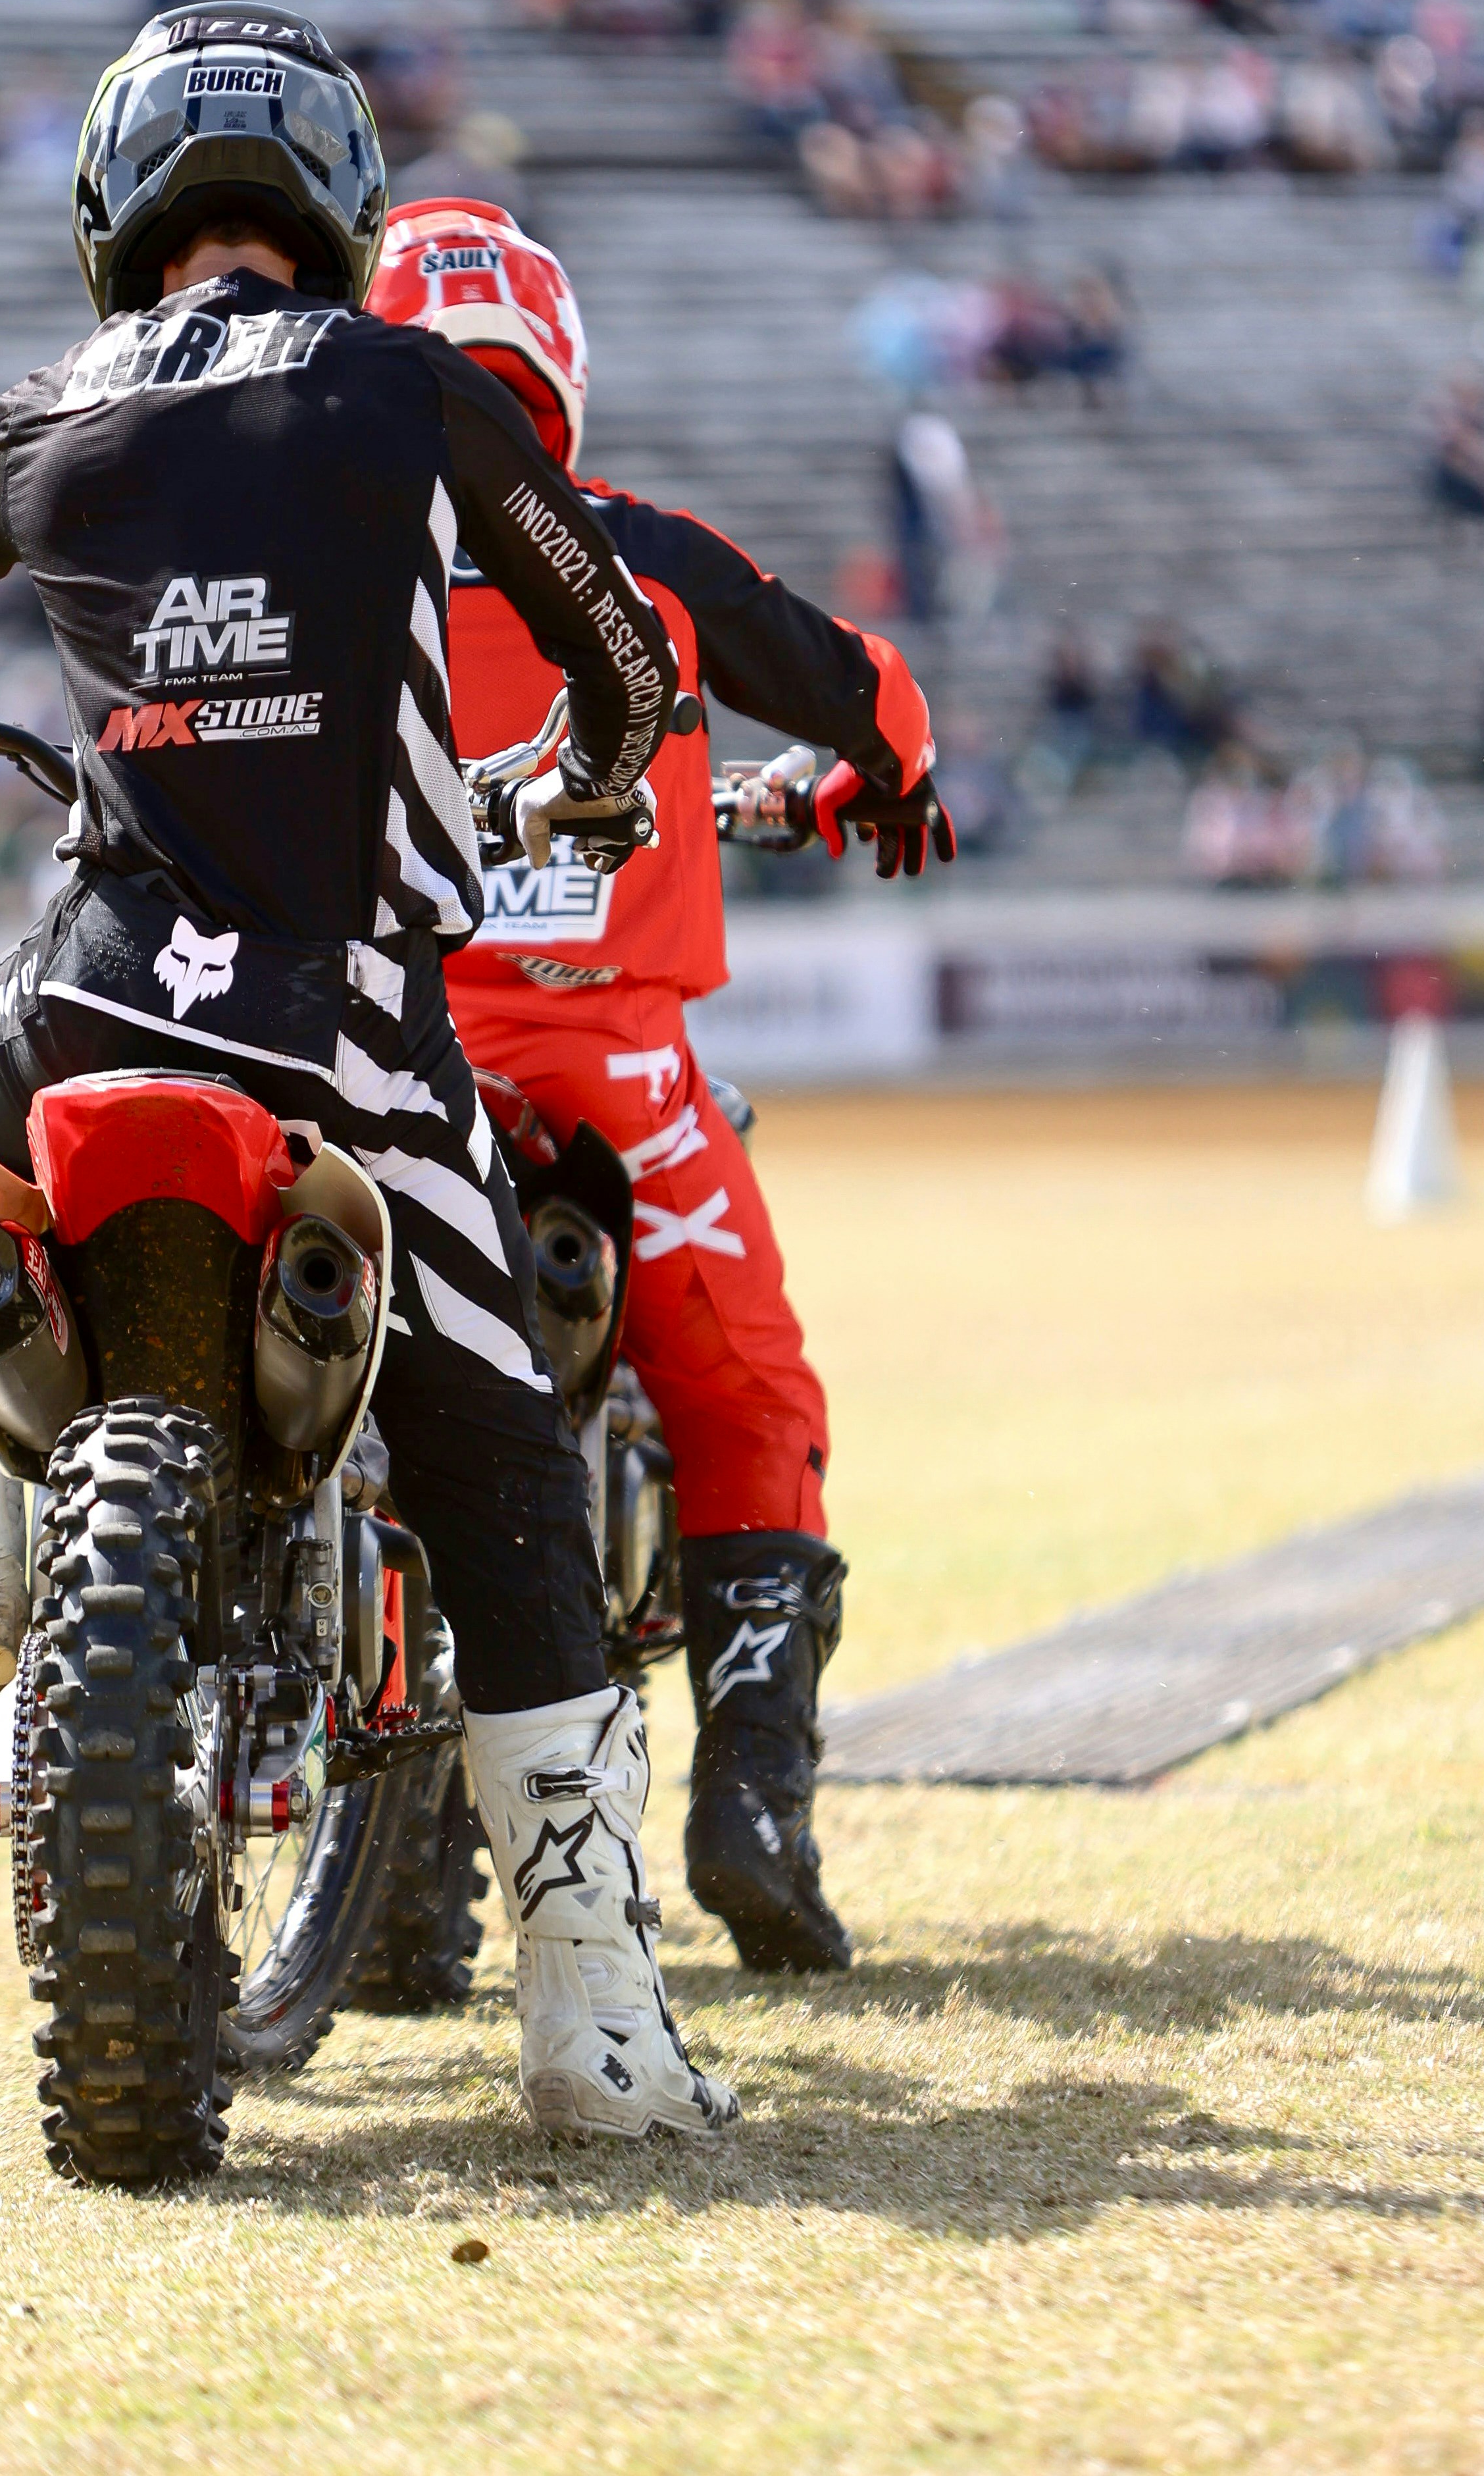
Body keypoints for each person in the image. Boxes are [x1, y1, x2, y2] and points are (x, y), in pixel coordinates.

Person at [0, 5, 733, 2143]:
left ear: (116, 207)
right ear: (340, 203)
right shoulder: (410, 386)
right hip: (349, 1016)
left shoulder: (29, 414)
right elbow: (622, 642)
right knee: (501, 1458)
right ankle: (587, 2011)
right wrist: (589, 768)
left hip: (98, 998)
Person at [366, 197, 953, 1974]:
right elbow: (880, 703)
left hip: (368, 1045)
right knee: (745, 1390)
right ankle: (752, 1805)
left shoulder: (323, 565)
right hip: (607, 1057)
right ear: (557, 383)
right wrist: (869, 785)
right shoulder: (643, 559)